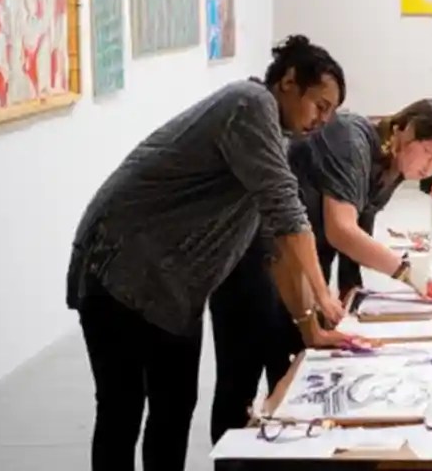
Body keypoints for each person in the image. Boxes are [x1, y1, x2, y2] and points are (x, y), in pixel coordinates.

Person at [65, 35, 368, 471]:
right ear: (288, 82)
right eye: (320, 105)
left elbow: (276, 248)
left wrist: (309, 326)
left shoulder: (273, 138)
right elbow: (287, 212)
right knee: (122, 407)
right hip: (119, 268)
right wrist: (323, 297)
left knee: (174, 406)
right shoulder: (248, 105)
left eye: (331, 112)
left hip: (174, 288)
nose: (322, 120)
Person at [210, 99, 432, 443]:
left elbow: (362, 224)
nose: (430, 169)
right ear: (405, 131)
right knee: (241, 375)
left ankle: (274, 450)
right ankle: (231, 457)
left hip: (302, 262)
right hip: (255, 257)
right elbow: (341, 230)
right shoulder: (351, 139)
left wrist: (352, 295)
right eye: (430, 156)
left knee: (293, 370)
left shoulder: (393, 165)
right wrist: (408, 274)